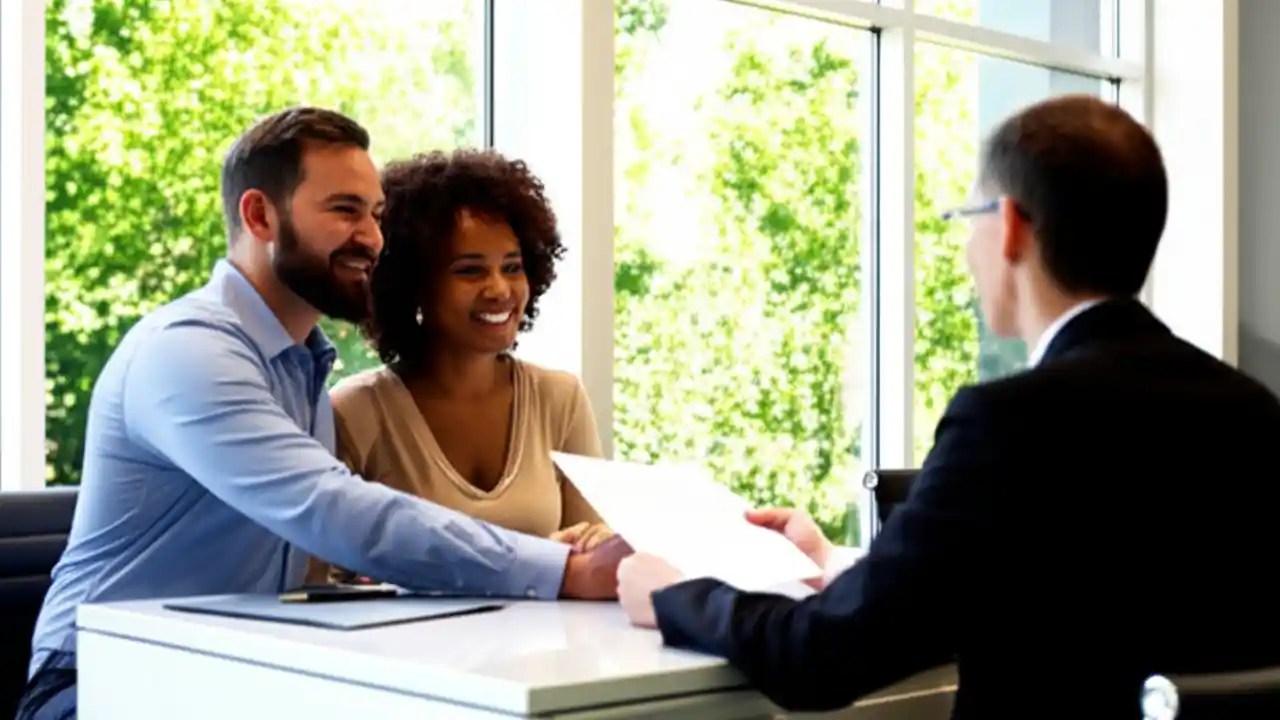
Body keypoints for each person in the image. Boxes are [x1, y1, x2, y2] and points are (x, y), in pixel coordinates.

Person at [616, 94, 1280, 717]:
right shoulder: (1254, 410)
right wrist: (836, 569)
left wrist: (678, 599)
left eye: (971, 219)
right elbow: (1081, 594)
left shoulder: (1012, 421)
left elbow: (821, 661)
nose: (968, 251)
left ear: (1012, 226)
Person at [17, 107, 629, 720]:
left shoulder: (300, 365)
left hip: (229, 672)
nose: (372, 238)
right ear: (260, 216)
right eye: (344, 210)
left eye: (376, 214)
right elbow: (330, 508)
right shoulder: (189, 351)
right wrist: (562, 570)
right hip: (99, 681)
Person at [305, 149, 611, 584]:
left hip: (547, 649)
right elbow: (327, 577)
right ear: (414, 286)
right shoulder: (354, 413)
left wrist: (594, 542)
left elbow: (597, 546)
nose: (500, 289)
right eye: (470, 271)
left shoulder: (559, 398)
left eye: (513, 267)